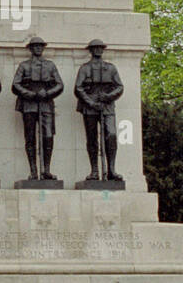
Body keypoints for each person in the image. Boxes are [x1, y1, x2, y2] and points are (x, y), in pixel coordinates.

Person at [10, 35, 63, 180]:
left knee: (47, 136)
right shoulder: (24, 66)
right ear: (31, 49)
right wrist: (30, 94)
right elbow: (15, 85)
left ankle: (46, 170)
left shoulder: (50, 65)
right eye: (35, 46)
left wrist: (47, 93)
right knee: (30, 137)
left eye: (40, 46)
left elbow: (59, 84)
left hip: (46, 103)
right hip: (29, 104)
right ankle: (33, 171)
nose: (38, 48)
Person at [74, 38, 123, 181]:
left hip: (107, 106)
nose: (98, 50)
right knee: (92, 138)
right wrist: (91, 102)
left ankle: (111, 170)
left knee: (111, 135)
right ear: (90, 50)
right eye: (95, 48)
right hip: (89, 106)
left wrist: (108, 96)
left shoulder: (111, 68)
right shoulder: (85, 68)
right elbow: (78, 88)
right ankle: (94, 170)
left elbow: (119, 87)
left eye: (100, 48)